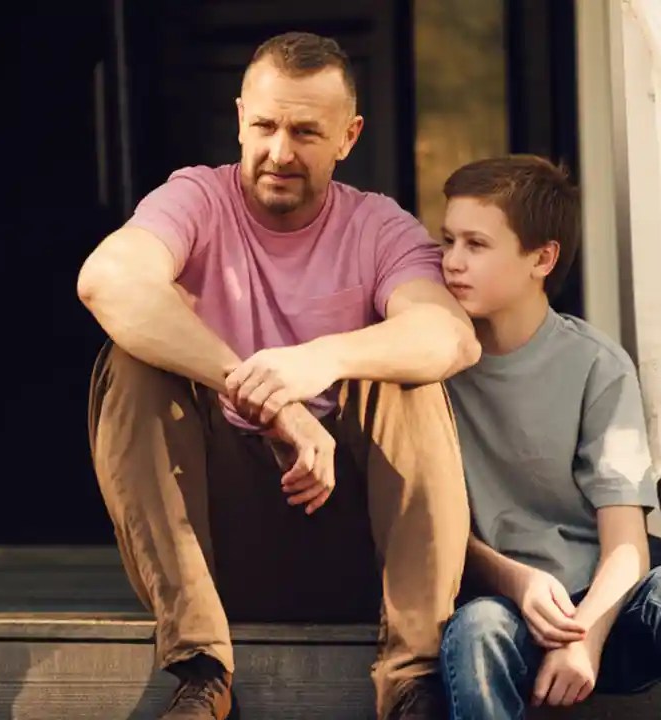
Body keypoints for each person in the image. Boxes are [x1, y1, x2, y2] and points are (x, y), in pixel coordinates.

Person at [77, 31, 480, 719]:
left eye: (306, 131)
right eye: (264, 125)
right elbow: (107, 279)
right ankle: (200, 670)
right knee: (131, 365)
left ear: (349, 136)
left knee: (404, 378)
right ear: (239, 118)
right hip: (218, 542)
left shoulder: (377, 226)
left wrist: (319, 361)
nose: (280, 151)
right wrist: (265, 398)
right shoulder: (197, 200)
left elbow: (449, 334)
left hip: (348, 541)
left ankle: (413, 680)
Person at [435, 155, 661, 719]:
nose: (452, 262)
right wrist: (519, 580)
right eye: (447, 240)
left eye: (476, 245)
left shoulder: (598, 366)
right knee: (477, 630)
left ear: (542, 258)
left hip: (605, 606)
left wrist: (586, 637)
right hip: (501, 607)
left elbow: (627, 544)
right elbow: (428, 527)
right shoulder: (433, 366)